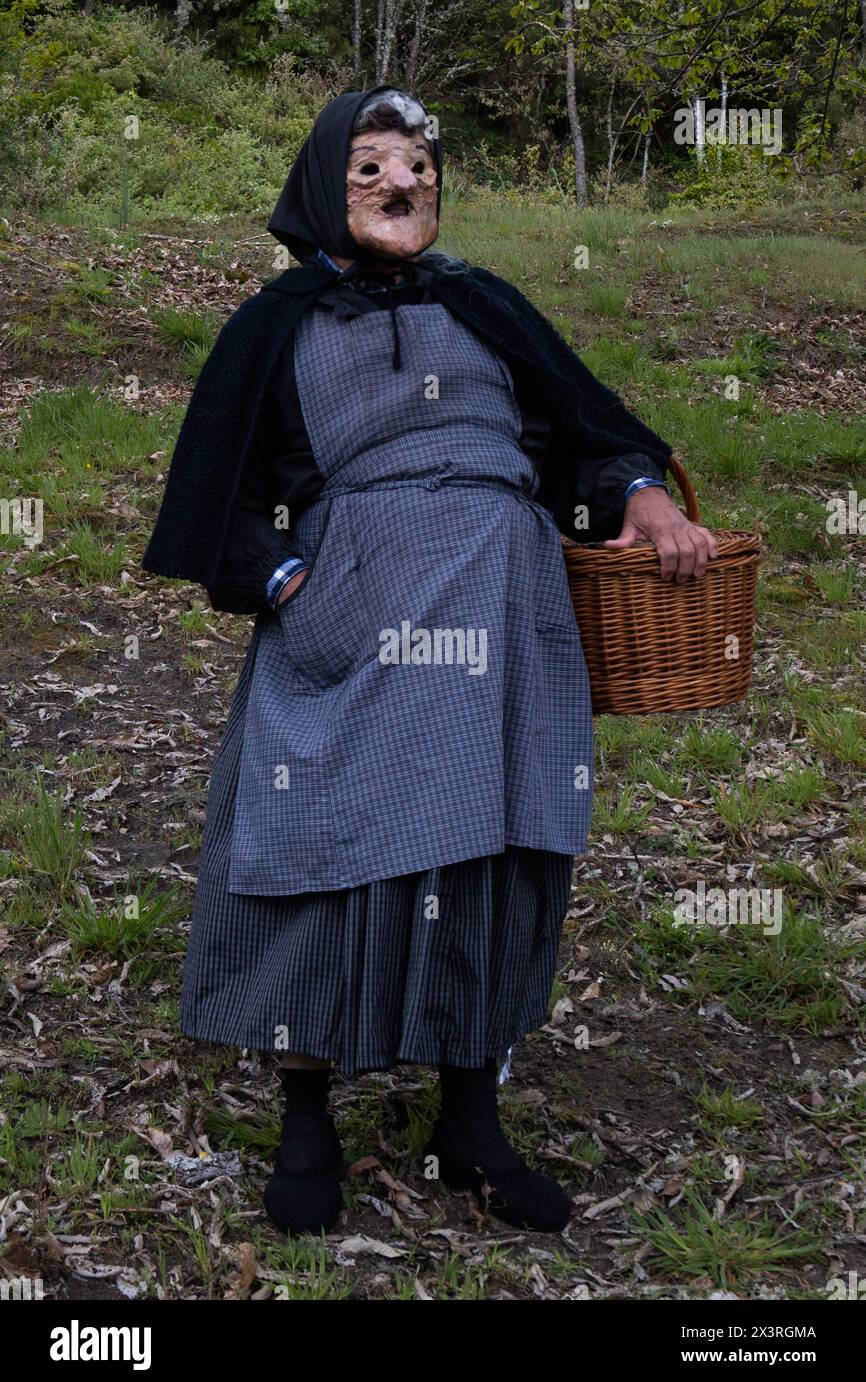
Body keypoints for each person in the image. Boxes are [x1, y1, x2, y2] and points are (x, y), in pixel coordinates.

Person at [142, 84, 718, 1238]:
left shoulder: (486, 303)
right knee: (325, 838)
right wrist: (281, 581)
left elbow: (586, 435)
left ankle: (468, 1118)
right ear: (321, 186)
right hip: (355, 607)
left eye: (417, 164)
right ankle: (308, 1115)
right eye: (370, 168)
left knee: (494, 841)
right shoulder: (278, 320)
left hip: (506, 602)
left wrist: (643, 496)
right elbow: (213, 495)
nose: (403, 184)